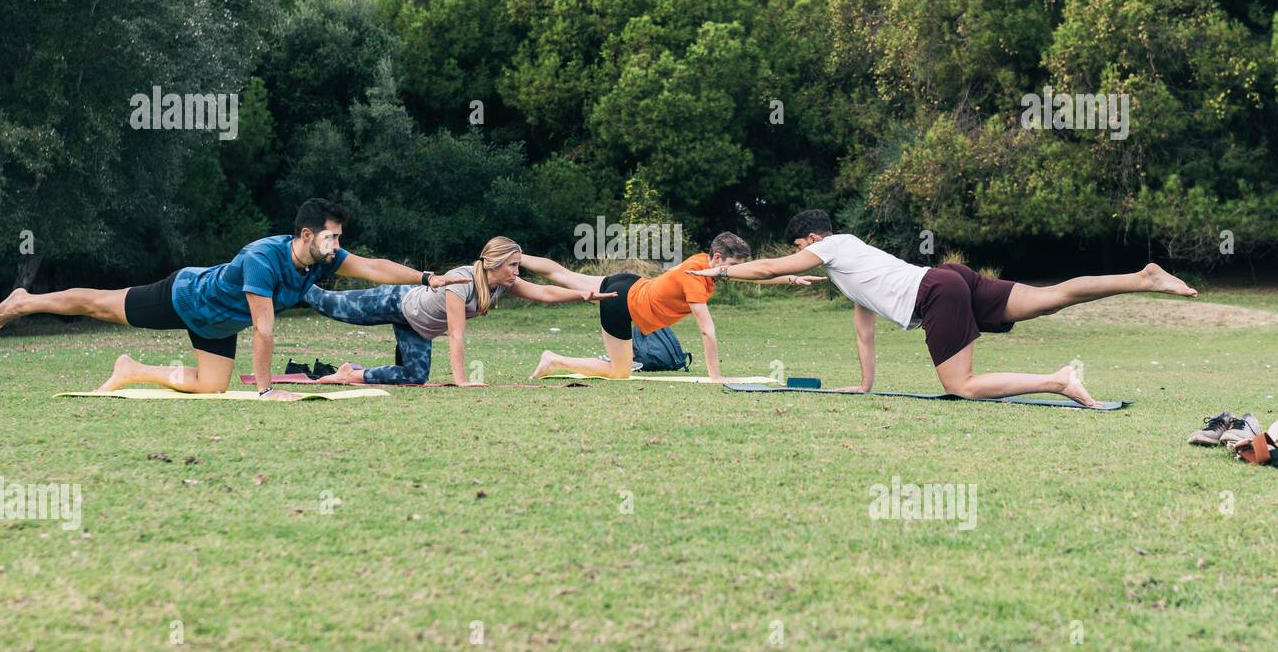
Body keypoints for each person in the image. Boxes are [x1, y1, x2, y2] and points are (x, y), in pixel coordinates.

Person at [687, 209, 1197, 408]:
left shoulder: (836, 245)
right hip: (949, 280)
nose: (803, 254)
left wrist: (724, 271)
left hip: (936, 293)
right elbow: (865, 329)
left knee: (960, 386)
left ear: (812, 238)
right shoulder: (851, 269)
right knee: (1052, 297)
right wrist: (864, 385)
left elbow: (774, 268)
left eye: (802, 245)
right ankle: (1142, 277)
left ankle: (1061, 380)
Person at [0, 198, 467, 399]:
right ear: (306, 234)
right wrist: (264, 388)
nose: (337, 246)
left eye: (338, 239)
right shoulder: (263, 258)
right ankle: (27, 299)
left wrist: (427, 277)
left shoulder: (322, 259)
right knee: (100, 305)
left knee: (212, 387)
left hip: (216, 326)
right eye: (331, 238)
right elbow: (262, 326)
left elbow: (375, 268)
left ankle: (132, 369)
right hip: (186, 297)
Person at [306, 236, 616, 386]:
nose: (516, 271)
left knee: (414, 378)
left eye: (518, 265)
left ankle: (349, 374)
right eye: (512, 264)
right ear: (494, 263)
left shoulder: (503, 284)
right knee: (328, 304)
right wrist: (461, 380)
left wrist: (582, 293)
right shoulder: (462, 281)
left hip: (417, 327)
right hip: (396, 301)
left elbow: (545, 293)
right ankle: (296, 282)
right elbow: (456, 336)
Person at [523, 232, 821, 381]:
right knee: (620, 372)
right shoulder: (695, 278)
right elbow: (707, 331)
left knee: (562, 274)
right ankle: (555, 360)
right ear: (717, 258)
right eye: (731, 265)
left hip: (629, 283)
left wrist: (791, 278)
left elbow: (754, 275)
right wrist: (716, 376)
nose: (734, 271)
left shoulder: (702, 263)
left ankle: (515, 256)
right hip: (622, 303)